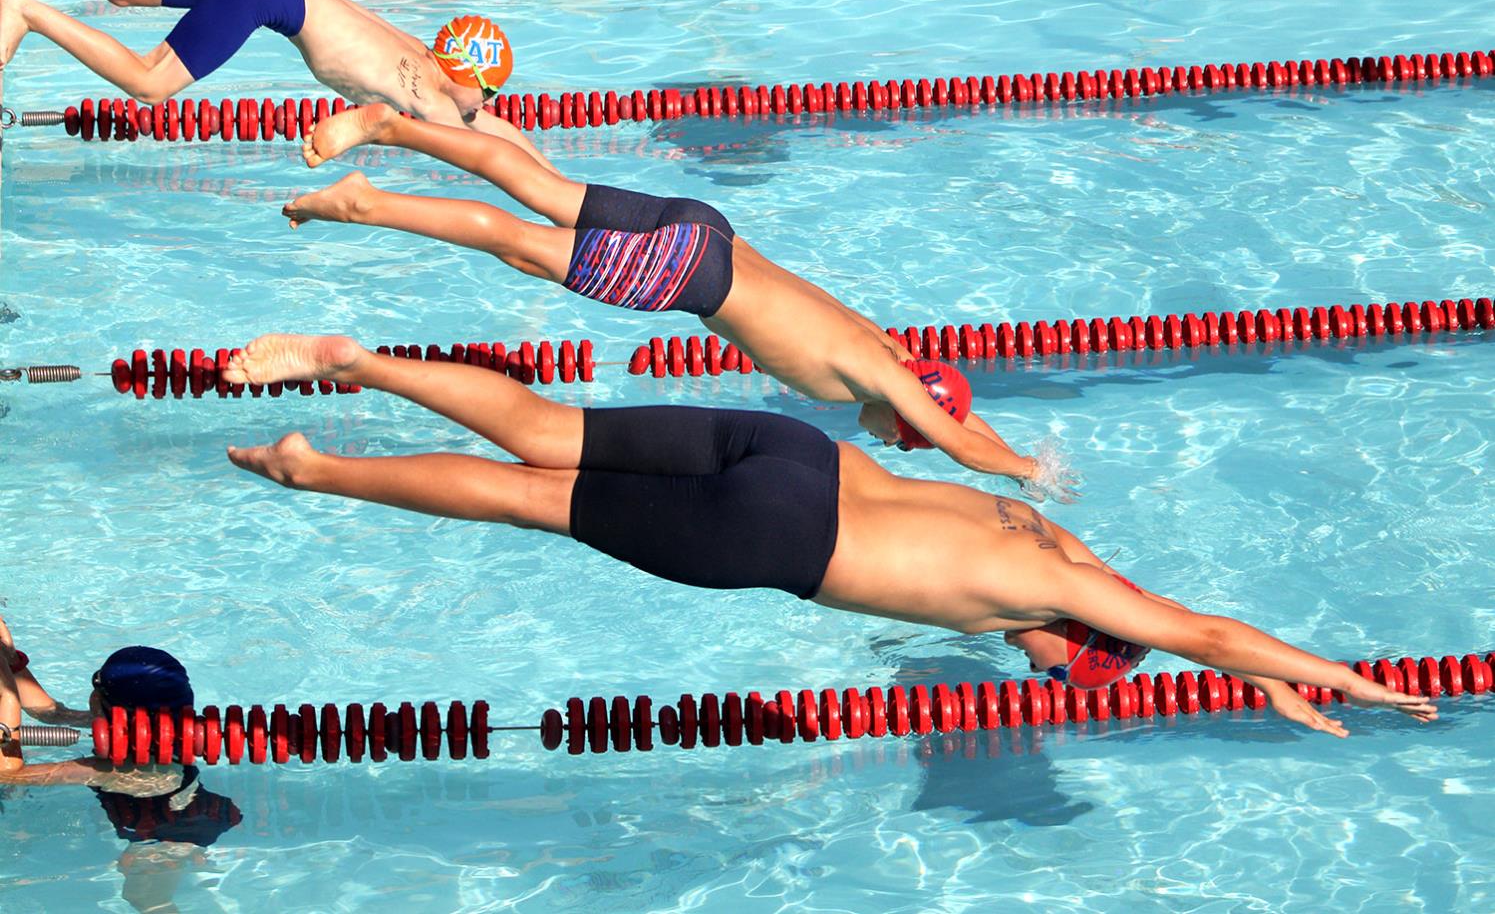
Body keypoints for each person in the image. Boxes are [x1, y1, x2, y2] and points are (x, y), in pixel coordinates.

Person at [221, 332, 1435, 737]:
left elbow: (1173, 615)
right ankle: (318, 467)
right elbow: (1199, 632)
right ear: (1081, 642)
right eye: (1059, 669)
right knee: (523, 495)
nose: (1033, 667)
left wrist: (1262, 680)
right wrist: (1341, 680)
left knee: (548, 428)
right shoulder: (1048, 600)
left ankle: (362, 358)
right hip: (778, 532)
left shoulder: (1034, 535)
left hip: (794, 452)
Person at [277, 103, 1072, 495]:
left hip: (708, 231)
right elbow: (959, 440)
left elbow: (955, 415)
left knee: (542, 187)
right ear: (908, 416)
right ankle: (367, 204)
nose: (899, 446)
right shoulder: (886, 382)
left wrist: (998, 442)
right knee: (517, 243)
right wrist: (1026, 472)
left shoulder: (887, 350)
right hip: (689, 276)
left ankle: (389, 126)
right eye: (907, 441)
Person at [0, 0, 554, 169]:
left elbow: (498, 130)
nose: (486, 107)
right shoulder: (432, 102)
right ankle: (26, 11)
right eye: (488, 94)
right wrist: (558, 200)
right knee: (149, 82)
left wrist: (562, 182)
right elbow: (493, 154)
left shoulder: (424, 57)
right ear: (468, 80)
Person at [0, 617, 241, 913]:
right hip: (179, 816)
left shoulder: (115, 771)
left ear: (104, 706)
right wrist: (10, 660)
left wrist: (7, 701)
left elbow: (8, 774)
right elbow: (52, 713)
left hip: (162, 840)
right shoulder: (151, 732)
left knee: (147, 900)